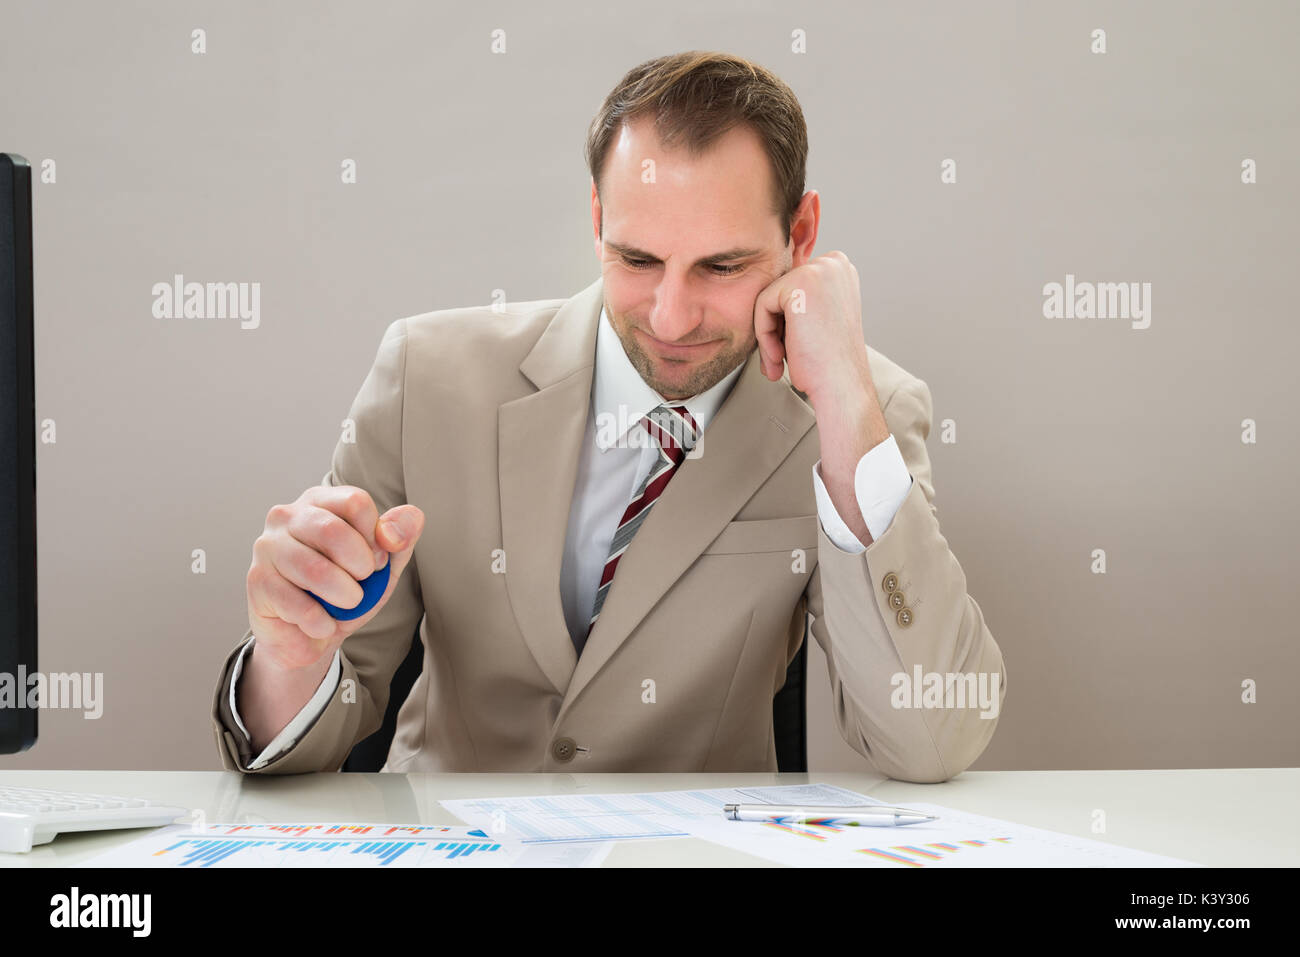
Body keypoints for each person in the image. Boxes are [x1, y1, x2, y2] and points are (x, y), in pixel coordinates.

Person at [211, 50, 1006, 781]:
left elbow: (932, 740)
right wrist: (289, 655)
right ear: (596, 219)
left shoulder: (859, 414)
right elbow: (312, 736)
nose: (670, 315)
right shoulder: (428, 375)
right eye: (637, 258)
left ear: (799, 235)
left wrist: (845, 402)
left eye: (721, 266)